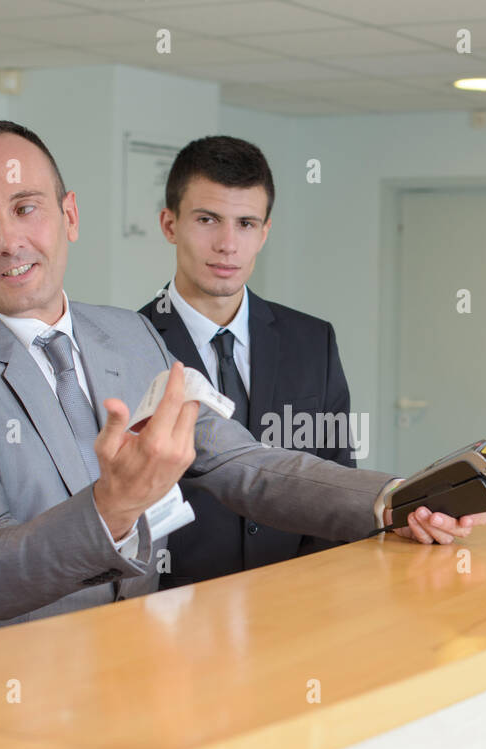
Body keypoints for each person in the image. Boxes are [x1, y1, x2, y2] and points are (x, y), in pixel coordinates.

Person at [0, 119, 486, 645]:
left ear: (69, 216)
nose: (9, 240)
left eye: (25, 208)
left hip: (134, 667)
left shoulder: (129, 336)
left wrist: (395, 500)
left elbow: (245, 464)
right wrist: (115, 505)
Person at [139, 135, 355, 588]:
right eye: (207, 219)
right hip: (175, 609)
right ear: (169, 224)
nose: (227, 244)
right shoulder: (125, 346)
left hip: (294, 603)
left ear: (265, 232)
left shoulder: (312, 340)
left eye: (245, 223)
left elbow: (337, 479)